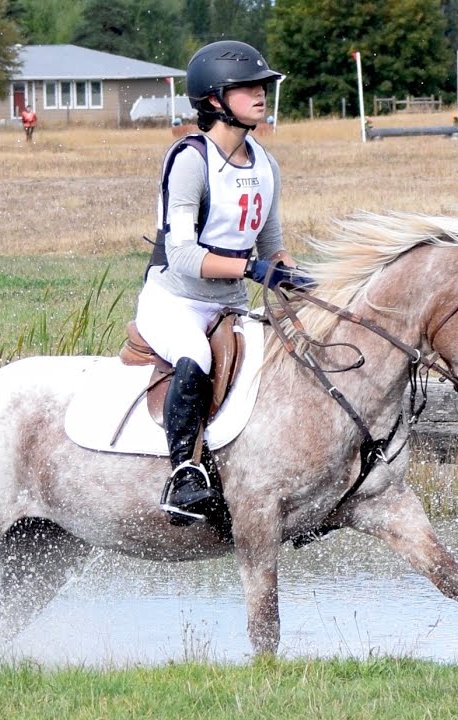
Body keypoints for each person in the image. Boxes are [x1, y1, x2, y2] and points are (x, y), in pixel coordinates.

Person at [135, 40, 313, 526]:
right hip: (176, 302)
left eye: (262, 86)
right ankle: (184, 476)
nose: (261, 94)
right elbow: (183, 254)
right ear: (215, 100)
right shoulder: (190, 159)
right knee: (195, 357)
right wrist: (252, 269)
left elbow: (273, 248)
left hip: (231, 308)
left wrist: (304, 281)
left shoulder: (265, 164)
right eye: (247, 88)